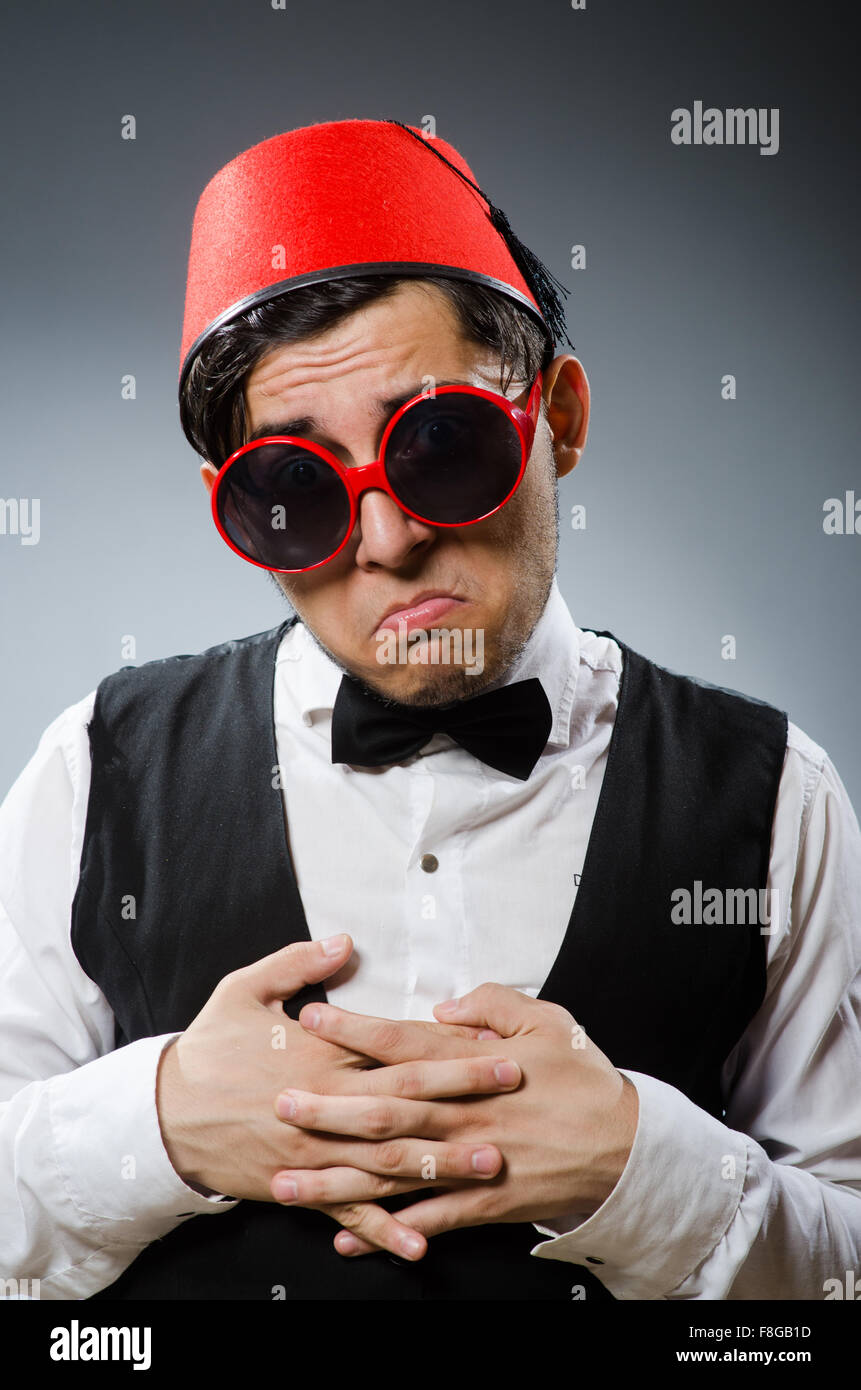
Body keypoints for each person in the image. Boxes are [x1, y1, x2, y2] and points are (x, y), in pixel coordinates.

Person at [1, 118, 859, 1302]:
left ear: (556, 415)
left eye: (441, 445)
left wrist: (641, 1166)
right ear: (234, 503)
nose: (391, 542)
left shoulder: (775, 794)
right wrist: (156, 1126)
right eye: (295, 489)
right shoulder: (95, 768)